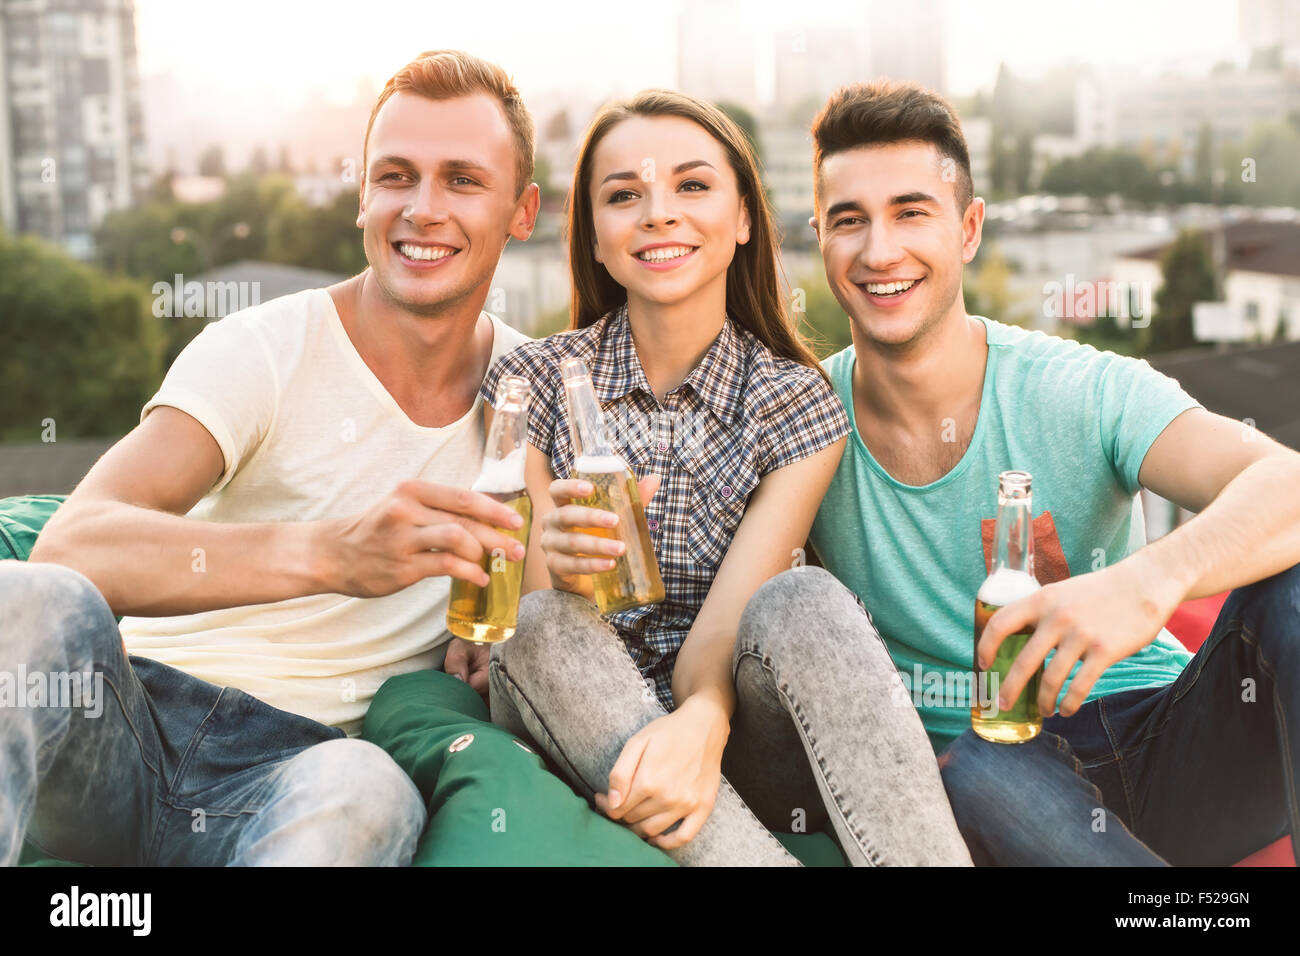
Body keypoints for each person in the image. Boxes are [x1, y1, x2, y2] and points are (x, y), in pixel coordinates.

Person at [0, 50, 541, 867]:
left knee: (371, 788)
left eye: (462, 180)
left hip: (306, 771)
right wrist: (333, 554)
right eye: (396, 176)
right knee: (25, 599)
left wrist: (514, 638)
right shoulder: (262, 347)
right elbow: (71, 548)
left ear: (522, 212)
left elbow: (568, 597)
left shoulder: (535, 397)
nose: (423, 209)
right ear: (362, 195)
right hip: (128, 724)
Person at [792, 78, 1300, 865]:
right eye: (847, 221)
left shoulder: (1079, 387)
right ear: (819, 238)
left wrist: (1143, 583)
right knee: (975, 770)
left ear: (968, 229)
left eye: (910, 212)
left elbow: (1287, 483)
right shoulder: (803, 425)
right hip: (1001, 783)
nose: (879, 250)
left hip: (1173, 740)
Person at [479, 88, 974, 867]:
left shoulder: (795, 405)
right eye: (623, 196)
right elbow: (524, 622)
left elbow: (726, 627)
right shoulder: (531, 385)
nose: (658, 213)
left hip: (742, 730)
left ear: (743, 220)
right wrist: (564, 571)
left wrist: (703, 716)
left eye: (692, 185)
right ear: (597, 239)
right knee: (537, 622)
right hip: (578, 713)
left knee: (804, 596)